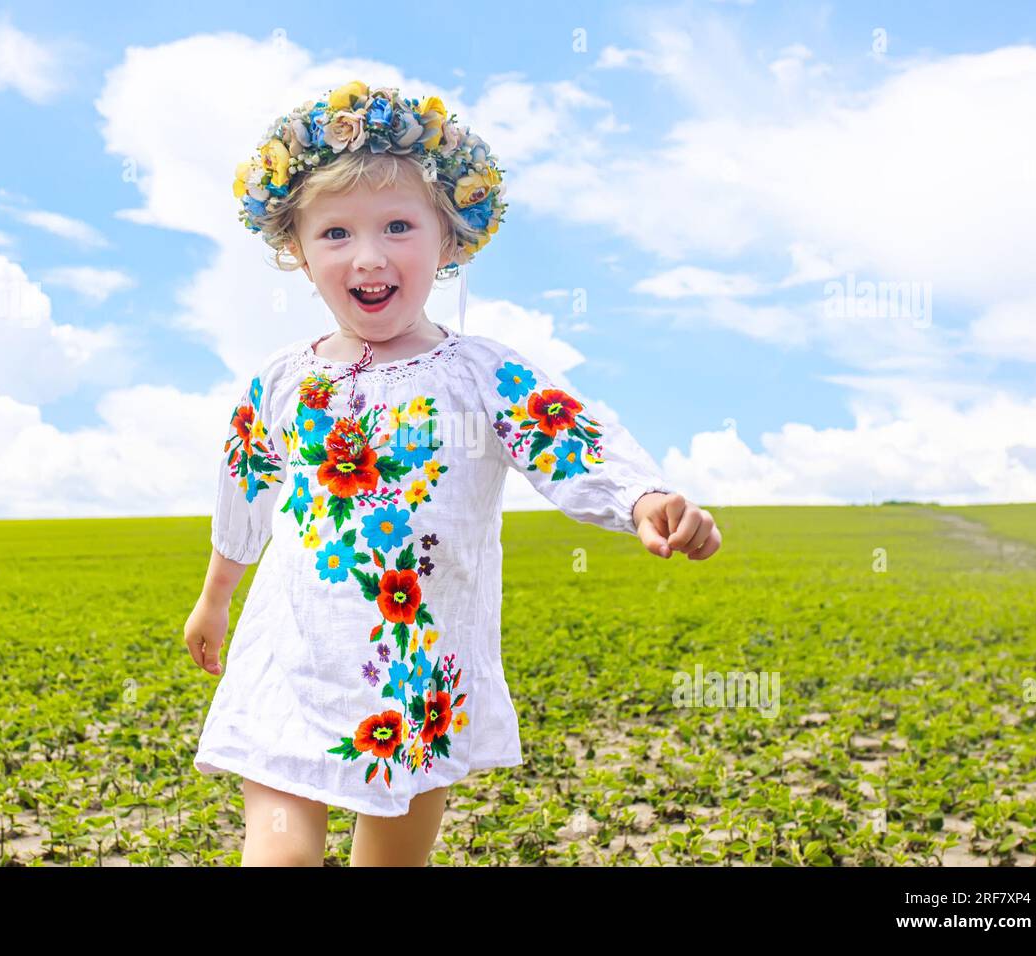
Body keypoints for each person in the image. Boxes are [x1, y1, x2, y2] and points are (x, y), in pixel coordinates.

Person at [184, 80, 721, 867]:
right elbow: (245, 489)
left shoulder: (479, 374)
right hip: (286, 658)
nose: (368, 255)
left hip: (417, 679)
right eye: (335, 233)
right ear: (297, 251)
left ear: (450, 238)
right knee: (282, 859)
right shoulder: (282, 381)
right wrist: (214, 599)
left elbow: (569, 438)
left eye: (398, 226)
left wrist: (642, 499)